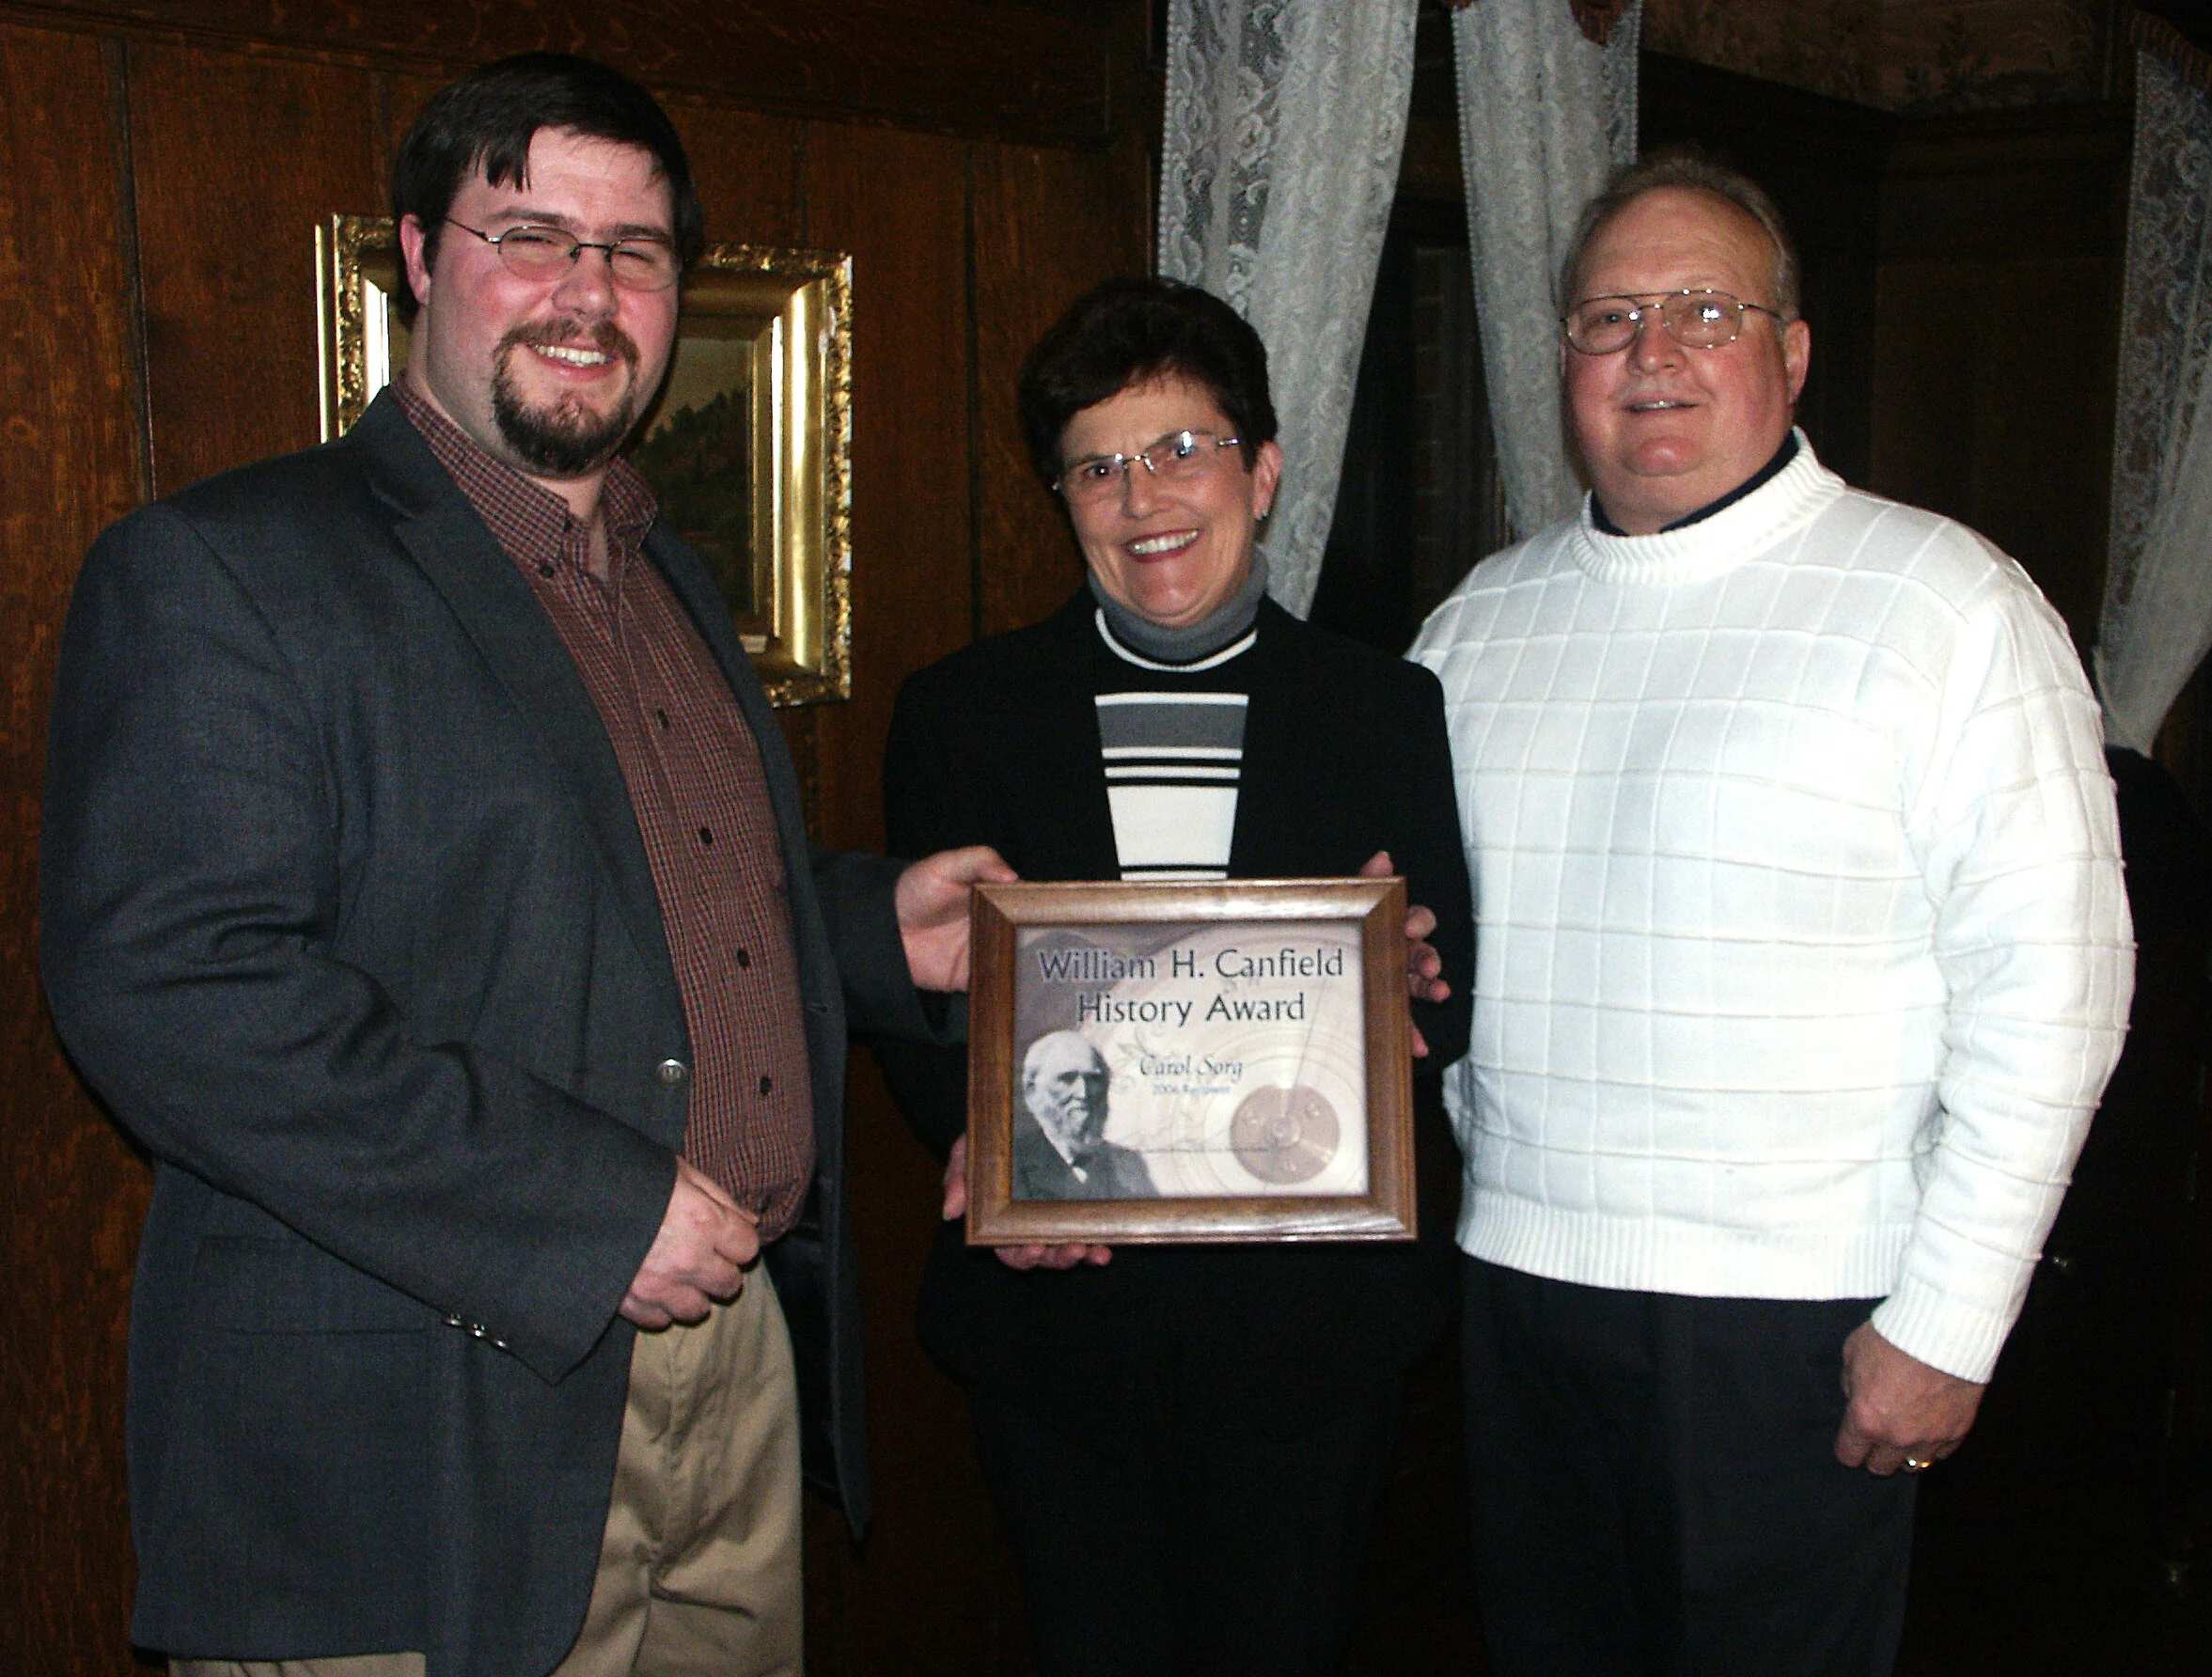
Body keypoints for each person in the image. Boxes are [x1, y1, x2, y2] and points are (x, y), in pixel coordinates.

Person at [39, 53, 1009, 1677]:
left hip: (733, 1373)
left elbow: (624, 884)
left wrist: (864, 925)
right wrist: (589, 1205)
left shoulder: (659, 570)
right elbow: (173, 988)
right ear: (418, 255)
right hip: (423, 1417)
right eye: (529, 232)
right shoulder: (227, 566)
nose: (585, 289)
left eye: (631, 250)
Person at [1409, 149, 2135, 1675]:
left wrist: (1946, 1316)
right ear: (1562, 362)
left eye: (1702, 310)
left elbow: (2053, 985)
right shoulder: (1470, 627)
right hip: (1524, 1293)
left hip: (1801, 1325)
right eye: (1608, 318)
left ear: (1789, 353)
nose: (1651, 353)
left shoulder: (1943, 600)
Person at [875, 275, 1475, 1676]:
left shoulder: (1384, 707)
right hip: (1059, 1326)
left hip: (1308, 1340)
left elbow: (1452, 989)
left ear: (1261, 471)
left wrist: (1415, 990)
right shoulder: (962, 713)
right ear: (1064, 497)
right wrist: (976, 1142)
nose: (1143, 497)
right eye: (1099, 465)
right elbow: (913, 999)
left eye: (1182, 449)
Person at [1012, 1030, 1157, 1200]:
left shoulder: (1129, 1163)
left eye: (1094, 1079)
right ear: (1032, 1090)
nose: (1083, 1093)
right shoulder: (1012, 1164)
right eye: (1066, 1079)